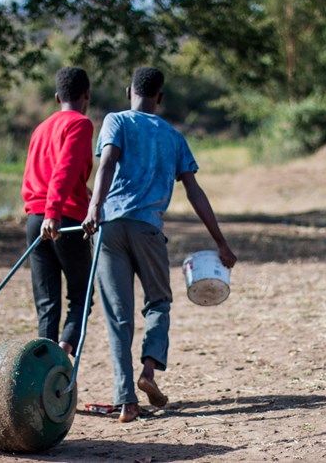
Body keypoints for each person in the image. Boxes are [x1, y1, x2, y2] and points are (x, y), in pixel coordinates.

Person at [82, 66, 237, 423]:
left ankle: (127, 402)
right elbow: (195, 192)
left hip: (109, 228)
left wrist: (93, 209)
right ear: (160, 98)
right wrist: (221, 243)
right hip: (148, 230)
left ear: (128, 92)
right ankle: (148, 372)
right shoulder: (173, 137)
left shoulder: (115, 120)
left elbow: (106, 164)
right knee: (158, 303)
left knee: (118, 317)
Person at [21, 66, 94, 358]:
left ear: (56, 97)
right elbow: (64, 170)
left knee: (47, 303)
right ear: (87, 95)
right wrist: (54, 212)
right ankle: (63, 353)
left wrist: (40, 213)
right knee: (81, 295)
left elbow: (36, 174)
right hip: (63, 220)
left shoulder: (41, 128)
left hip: (35, 220)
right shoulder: (80, 124)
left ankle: (43, 371)